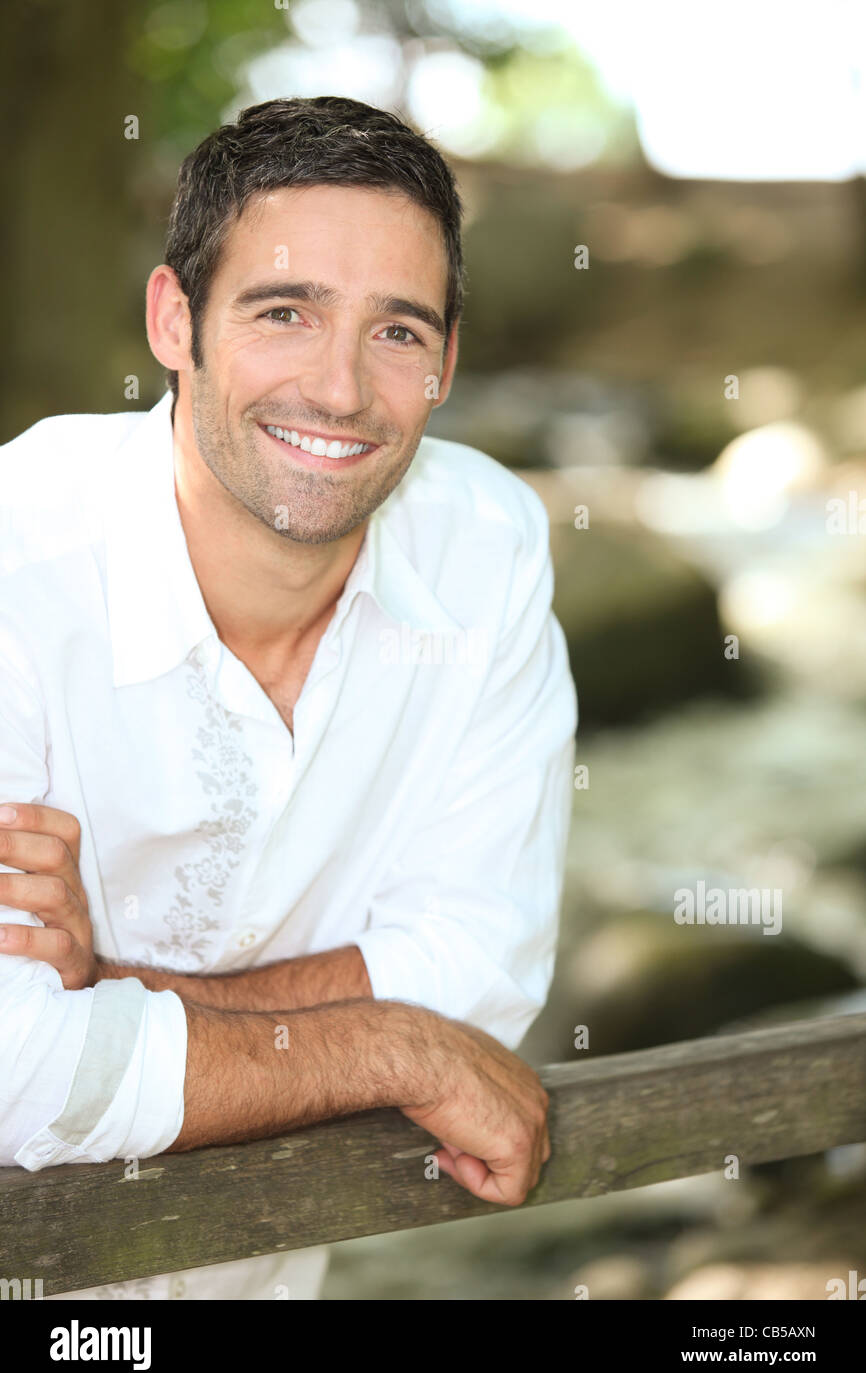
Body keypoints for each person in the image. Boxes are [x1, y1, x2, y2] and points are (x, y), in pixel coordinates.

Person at [0, 95, 577, 1300]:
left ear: (446, 364)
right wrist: (385, 1039)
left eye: (397, 333)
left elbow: (483, 969)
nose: (339, 388)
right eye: (282, 311)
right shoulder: (18, 558)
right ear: (174, 320)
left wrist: (107, 989)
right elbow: (11, 1074)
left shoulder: (486, 548)